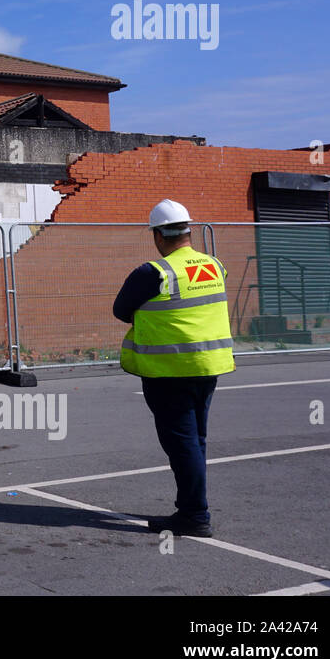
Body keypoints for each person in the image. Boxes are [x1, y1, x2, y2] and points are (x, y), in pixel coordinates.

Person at [114, 199, 235, 538]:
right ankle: (194, 506)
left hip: (170, 370)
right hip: (208, 365)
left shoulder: (152, 273)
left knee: (181, 442)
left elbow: (121, 310)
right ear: (188, 230)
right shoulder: (215, 266)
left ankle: (195, 514)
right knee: (195, 439)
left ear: (158, 235)